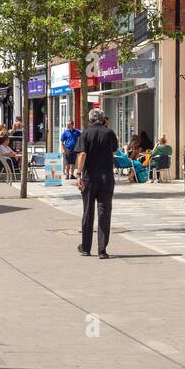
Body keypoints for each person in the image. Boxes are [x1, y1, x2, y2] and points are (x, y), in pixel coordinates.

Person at [75, 108, 117, 259]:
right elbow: (113, 150)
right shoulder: (109, 133)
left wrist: (78, 174)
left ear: (90, 119)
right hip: (106, 178)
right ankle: (102, 250)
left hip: (89, 178)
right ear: (103, 119)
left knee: (88, 212)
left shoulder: (85, 133)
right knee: (104, 213)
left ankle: (86, 247)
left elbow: (82, 154)